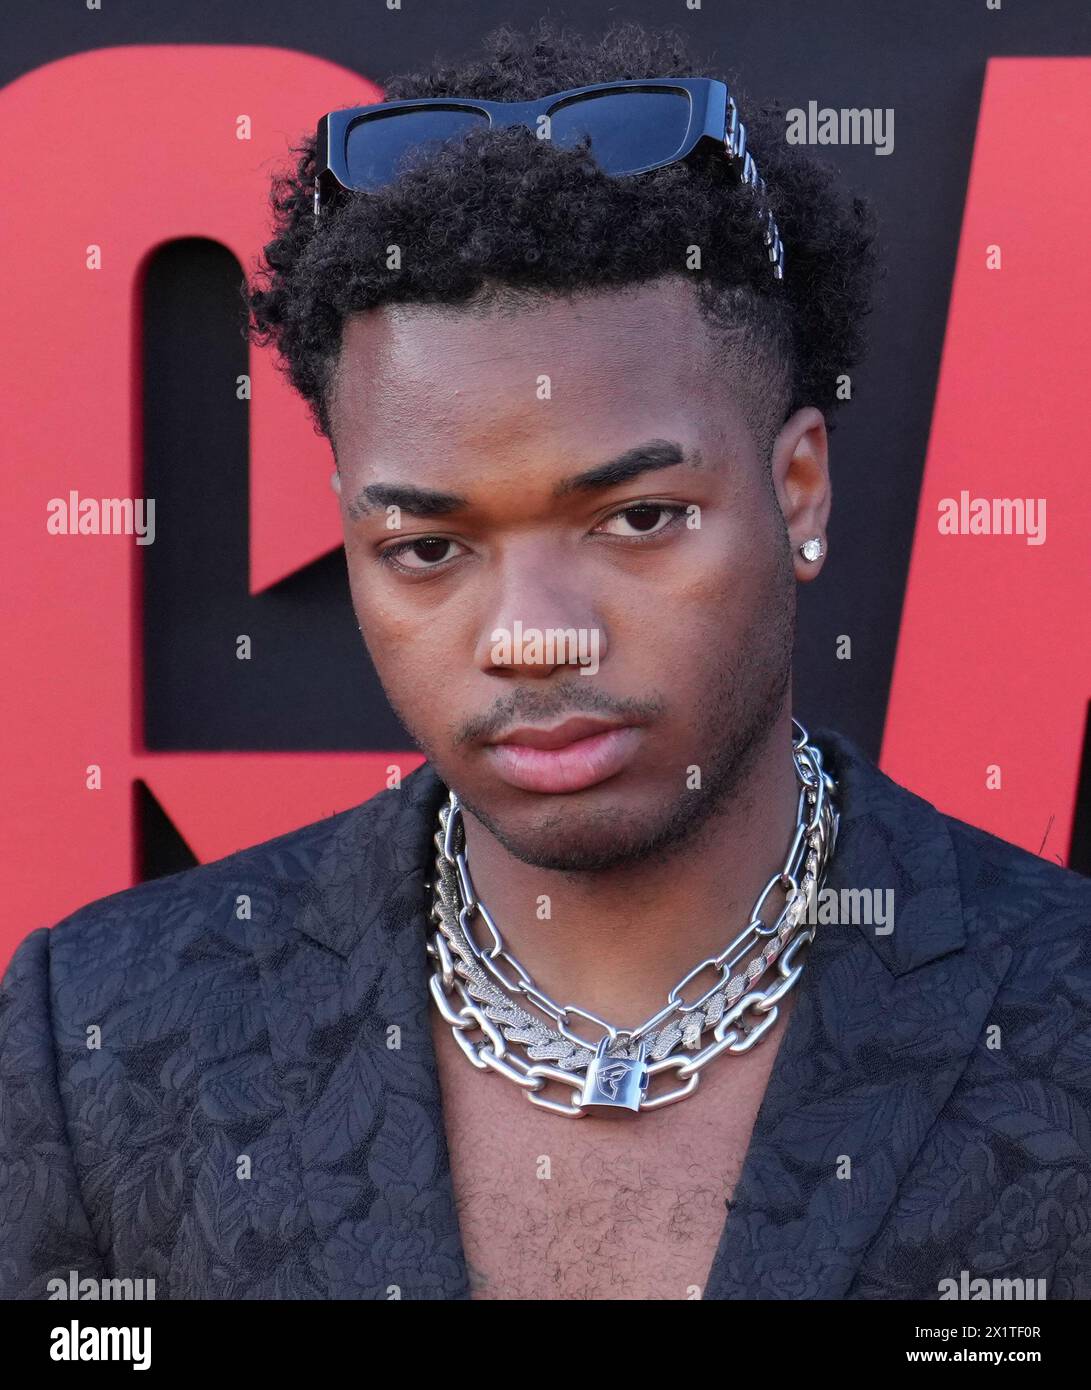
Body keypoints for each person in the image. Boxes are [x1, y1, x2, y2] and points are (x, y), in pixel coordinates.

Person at [2, 18, 1089, 1303]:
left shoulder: (1062, 1013)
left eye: (635, 520)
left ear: (796, 490)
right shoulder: (108, 1037)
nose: (530, 635)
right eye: (426, 546)